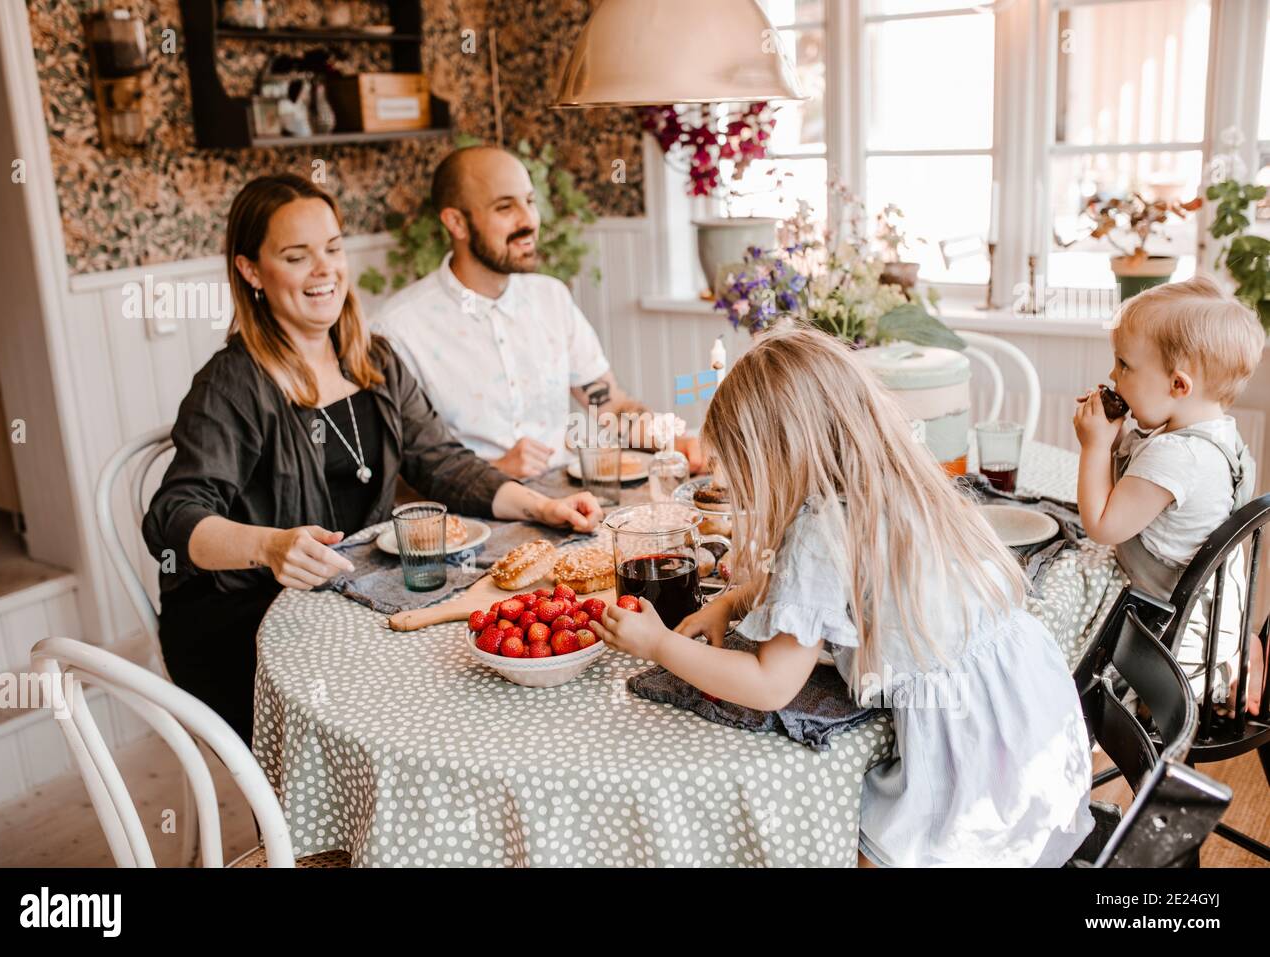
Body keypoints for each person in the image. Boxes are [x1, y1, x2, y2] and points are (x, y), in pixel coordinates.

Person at [591, 326, 1094, 867]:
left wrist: (658, 646)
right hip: (1039, 729)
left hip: (976, 772)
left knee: (841, 840)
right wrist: (729, 603)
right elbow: (831, 583)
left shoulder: (819, 527)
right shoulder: (896, 475)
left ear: (777, 457)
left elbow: (771, 685)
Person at [143, 173, 600, 744]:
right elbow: (172, 517)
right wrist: (269, 546)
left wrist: (543, 506)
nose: (324, 271)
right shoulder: (232, 384)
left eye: (332, 249)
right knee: (418, 714)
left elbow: (441, 461)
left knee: (475, 680)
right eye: (296, 256)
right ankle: (322, 832)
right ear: (251, 271)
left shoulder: (372, 359)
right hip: (246, 619)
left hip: (356, 597)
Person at [372, 145, 704, 479]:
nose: (528, 220)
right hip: (471, 520)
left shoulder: (551, 298)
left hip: (569, 500)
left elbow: (610, 407)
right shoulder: (399, 328)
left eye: (530, 202)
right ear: (456, 222)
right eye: (505, 207)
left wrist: (675, 439)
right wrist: (492, 470)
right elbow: (397, 468)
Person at [1075, 276, 1265, 714]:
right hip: (1201, 611)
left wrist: (1095, 446)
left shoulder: (1177, 460)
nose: (1112, 375)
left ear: (1179, 385)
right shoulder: (1213, 433)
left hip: (1163, 645)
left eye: (1124, 364)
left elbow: (1102, 526)